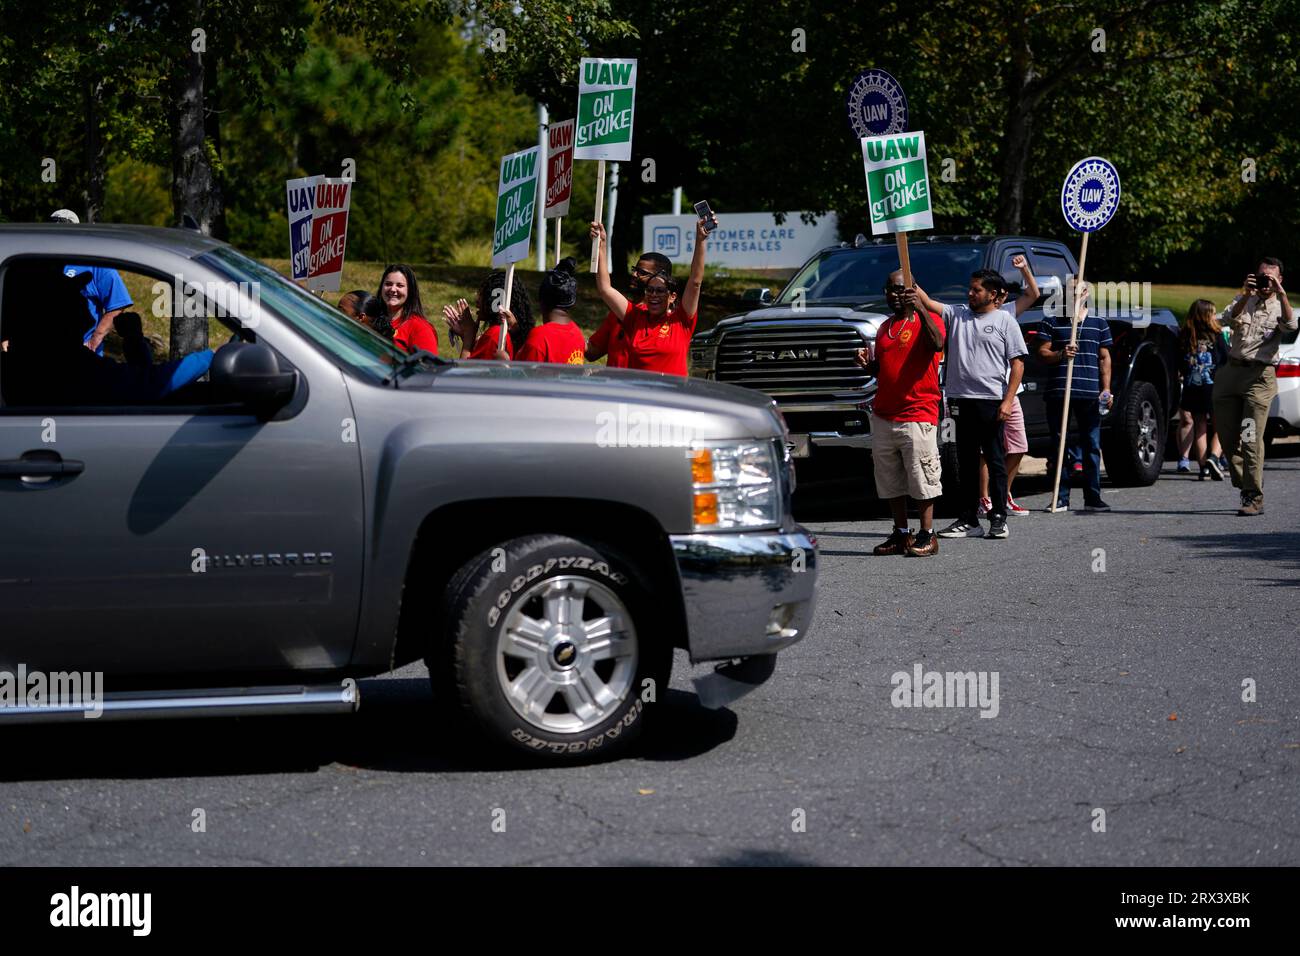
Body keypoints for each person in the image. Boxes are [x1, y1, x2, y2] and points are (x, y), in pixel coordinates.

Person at [914, 269, 1028, 540]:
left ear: (992, 294)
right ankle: (968, 519)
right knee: (964, 463)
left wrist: (1008, 401)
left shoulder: (1005, 321)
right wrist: (911, 283)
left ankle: (998, 517)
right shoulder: (957, 314)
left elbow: (1018, 364)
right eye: (970, 288)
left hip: (991, 402)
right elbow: (927, 301)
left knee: (995, 459)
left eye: (976, 290)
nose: (970, 293)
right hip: (959, 401)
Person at [853, 271, 946, 556]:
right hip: (885, 414)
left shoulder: (929, 321)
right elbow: (884, 369)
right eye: (889, 290)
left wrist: (921, 308)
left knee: (921, 477)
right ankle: (901, 533)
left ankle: (927, 534)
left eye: (900, 289)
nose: (894, 295)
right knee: (890, 478)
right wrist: (869, 367)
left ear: (915, 290)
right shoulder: (884, 327)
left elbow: (937, 344)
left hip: (917, 412)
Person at [1213, 257, 1296, 516]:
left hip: (1259, 378)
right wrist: (1243, 294)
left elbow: (1291, 324)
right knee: (1227, 438)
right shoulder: (1244, 300)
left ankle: (1253, 496)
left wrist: (1282, 296)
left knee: (1250, 436)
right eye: (1262, 276)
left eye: (1271, 278)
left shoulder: (1282, 306)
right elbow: (1224, 320)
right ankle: (1249, 480)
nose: (1265, 283)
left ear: (1280, 280)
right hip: (1231, 372)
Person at [590, 210, 715, 376]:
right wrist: (601, 246)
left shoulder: (681, 321)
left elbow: (695, 282)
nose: (654, 295)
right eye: (650, 290)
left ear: (672, 296)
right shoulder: (635, 317)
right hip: (639, 398)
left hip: (671, 399)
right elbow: (605, 289)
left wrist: (701, 240)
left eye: (660, 291)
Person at [1034, 283, 1113, 512]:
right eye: (1069, 290)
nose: (1073, 294)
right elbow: (1041, 353)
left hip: (1090, 393)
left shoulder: (1099, 323)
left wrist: (1106, 389)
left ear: (1086, 294)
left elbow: (1104, 358)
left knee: (1092, 444)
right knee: (1060, 445)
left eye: (1077, 291)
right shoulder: (1052, 320)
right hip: (1060, 391)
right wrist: (1060, 353)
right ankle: (1061, 496)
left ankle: (1093, 497)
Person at [978, 259, 1039, 517]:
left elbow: (1033, 294)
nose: (1002, 298)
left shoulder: (1008, 313)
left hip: (1010, 391)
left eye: (1004, 294)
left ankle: (1003, 495)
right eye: (999, 294)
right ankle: (983, 499)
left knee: (1018, 445)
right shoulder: (971, 314)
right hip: (985, 391)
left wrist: (1023, 268)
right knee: (985, 449)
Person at [49, 208, 134, 354]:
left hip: (82, 357)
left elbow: (116, 304)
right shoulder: (39, 262)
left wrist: (95, 340)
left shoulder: (96, 265)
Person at [585, 251, 673, 367]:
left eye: (641, 272)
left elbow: (695, 283)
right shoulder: (618, 312)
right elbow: (592, 351)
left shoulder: (672, 320)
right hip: (615, 384)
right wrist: (566, 333)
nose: (634, 274)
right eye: (635, 270)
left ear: (660, 279)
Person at [1178, 299, 1227, 481]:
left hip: (1192, 387)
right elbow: (1225, 359)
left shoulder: (1184, 335)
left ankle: (1203, 467)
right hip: (1214, 386)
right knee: (1222, 425)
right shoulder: (1216, 335)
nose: (1215, 317)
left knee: (1200, 427)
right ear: (1207, 316)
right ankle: (1213, 457)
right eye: (1213, 313)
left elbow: (1180, 361)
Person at [442, 271, 534, 360]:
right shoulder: (502, 332)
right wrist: (469, 337)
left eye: (482, 294)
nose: (477, 299)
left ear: (496, 300)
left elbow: (465, 373)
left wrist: (469, 335)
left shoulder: (494, 335)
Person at [515, 258, 586, 364]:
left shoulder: (540, 337)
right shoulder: (578, 335)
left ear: (541, 301)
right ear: (572, 302)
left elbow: (525, 376)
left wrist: (504, 361)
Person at [377, 264, 438, 355]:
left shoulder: (420, 328)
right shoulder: (372, 318)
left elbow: (429, 367)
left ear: (410, 291)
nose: (393, 289)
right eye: (388, 284)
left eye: (400, 285)